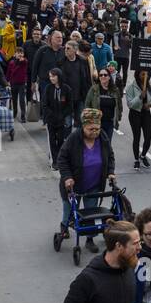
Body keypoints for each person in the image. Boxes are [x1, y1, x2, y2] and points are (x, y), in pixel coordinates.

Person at [56, 109, 115, 255]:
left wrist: (111, 172)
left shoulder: (102, 137)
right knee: (69, 212)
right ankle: (64, 228)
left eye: (97, 128)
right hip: (73, 185)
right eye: (91, 129)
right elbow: (62, 159)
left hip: (93, 184)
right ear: (83, 126)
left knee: (91, 214)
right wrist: (67, 177)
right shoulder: (74, 138)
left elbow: (110, 155)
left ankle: (90, 239)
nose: (95, 132)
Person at [41, 67, 73, 169]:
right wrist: (51, 115)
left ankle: (59, 158)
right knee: (51, 140)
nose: (51, 78)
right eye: (50, 76)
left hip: (61, 120)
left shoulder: (66, 89)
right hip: (51, 119)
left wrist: (62, 115)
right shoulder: (48, 88)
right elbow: (45, 104)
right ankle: (54, 161)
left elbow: (70, 105)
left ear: (59, 76)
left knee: (60, 139)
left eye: (53, 76)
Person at [125, 69, 151, 169]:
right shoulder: (131, 88)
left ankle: (143, 155)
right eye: (143, 74)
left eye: (147, 74)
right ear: (137, 75)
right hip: (135, 114)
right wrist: (140, 97)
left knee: (148, 137)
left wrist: (150, 104)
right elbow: (130, 104)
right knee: (137, 137)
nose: (145, 76)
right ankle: (136, 159)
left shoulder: (150, 86)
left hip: (146, 113)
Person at [84, 67, 122, 142]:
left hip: (109, 122)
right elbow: (87, 105)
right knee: (97, 145)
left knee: (107, 145)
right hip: (96, 123)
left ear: (109, 77)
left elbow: (119, 106)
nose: (103, 77)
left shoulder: (115, 90)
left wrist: (118, 118)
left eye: (105, 75)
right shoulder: (94, 89)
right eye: (100, 75)